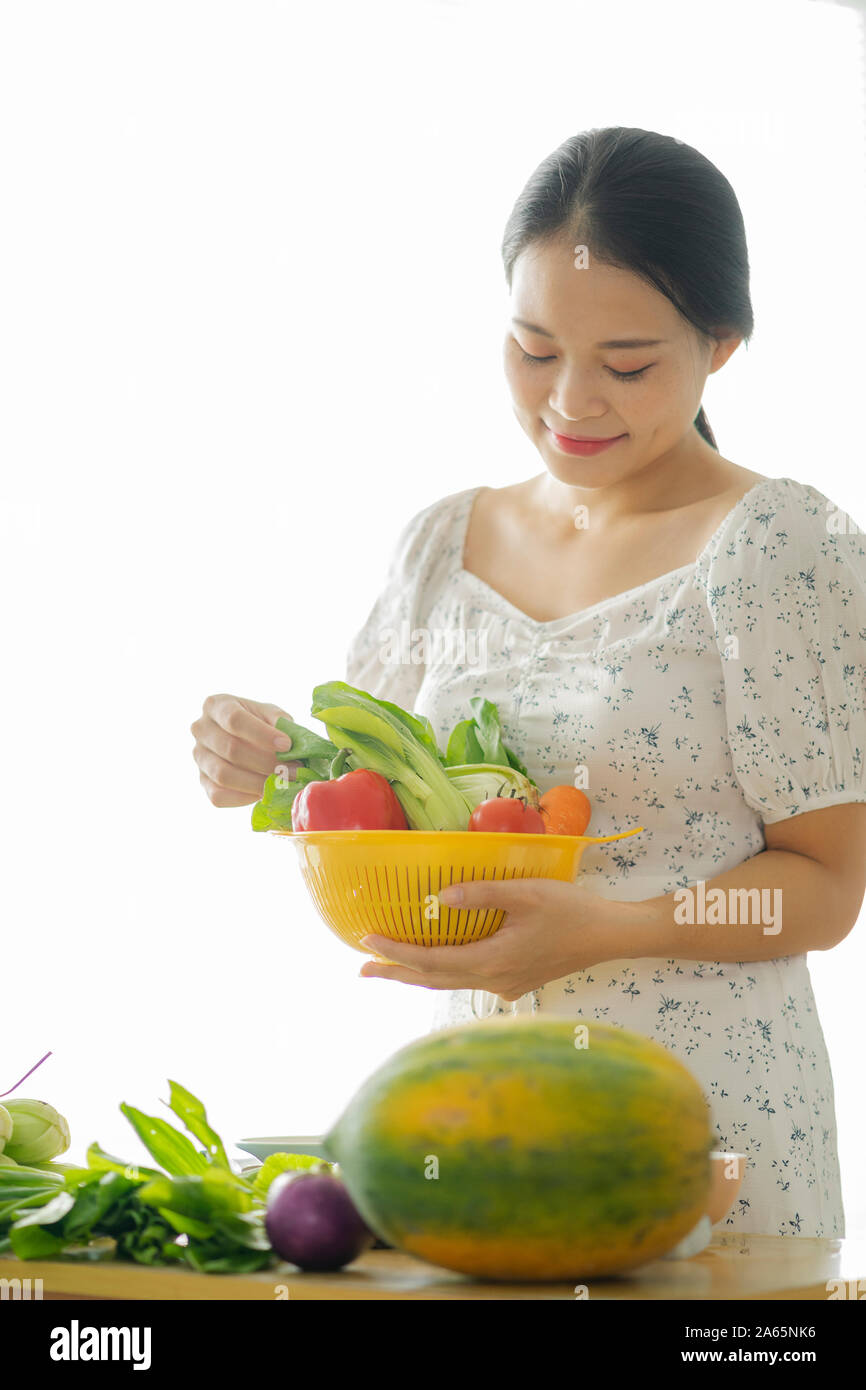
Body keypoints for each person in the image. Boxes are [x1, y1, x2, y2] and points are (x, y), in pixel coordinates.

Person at [192, 127, 866, 1239]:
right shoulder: (443, 541)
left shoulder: (775, 547)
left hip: (702, 1127)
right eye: (532, 348)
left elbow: (829, 886)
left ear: (722, 346)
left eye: (629, 364)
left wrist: (604, 927)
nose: (571, 401)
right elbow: (382, 804)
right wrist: (260, 766)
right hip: (471, 1115)